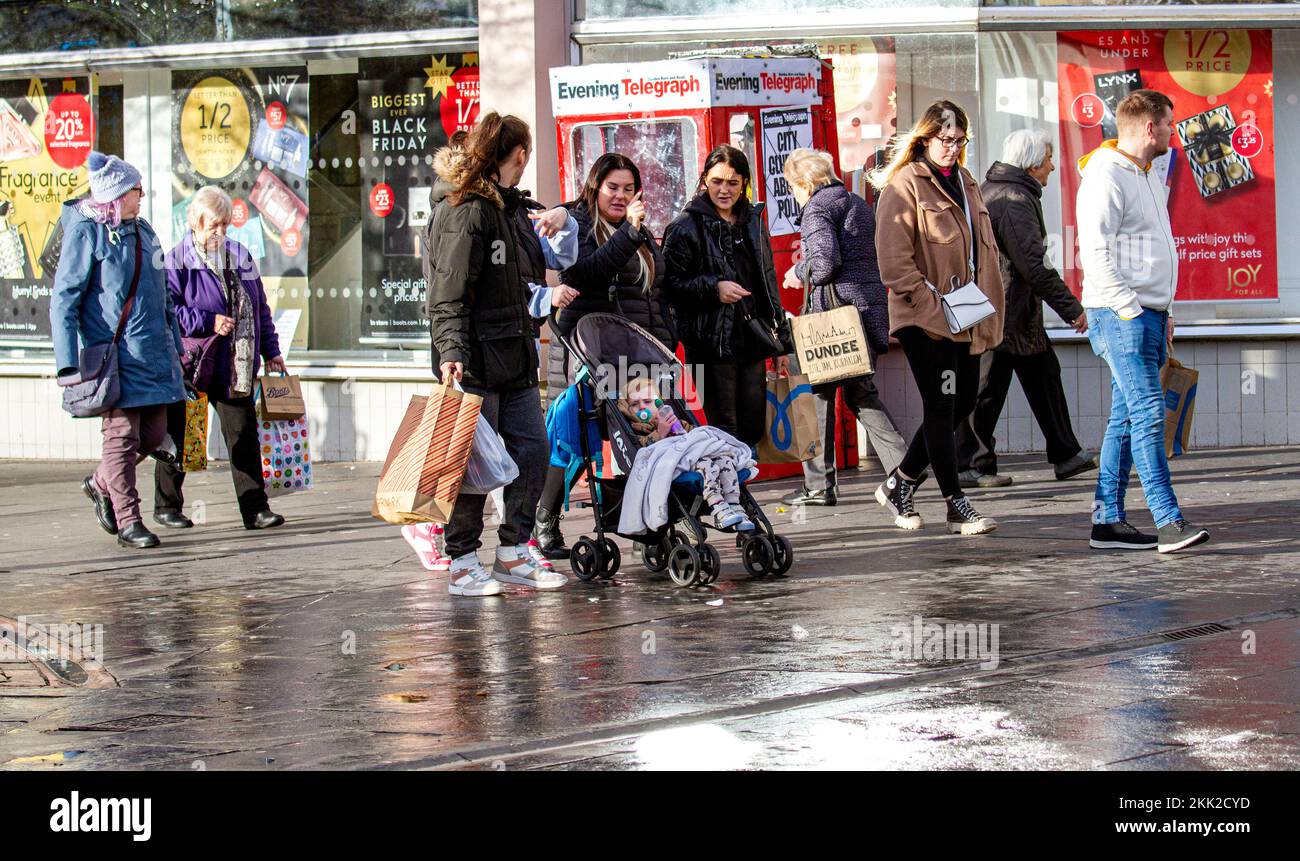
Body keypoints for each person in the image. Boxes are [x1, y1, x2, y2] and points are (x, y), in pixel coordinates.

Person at [406, 129, 578, 574]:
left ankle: (513, 549)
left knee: (533, 451)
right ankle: (462, 560)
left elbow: (540, 248)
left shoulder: (506, 205)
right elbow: (447, 291)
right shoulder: (464, 210)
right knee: (472, 465)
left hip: (514, 356)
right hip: (476, 359)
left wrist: (564, 214)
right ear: (520, 154)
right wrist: (450, 350)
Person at [1076, 89, 1209, 554]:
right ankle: (1168, 520)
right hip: (1120, 315)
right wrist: (1131, 309)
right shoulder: (1104, 176)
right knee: (1150, 412)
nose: (1174, 133)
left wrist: (1163, 310)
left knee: (1127, 418)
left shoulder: (1148, 174)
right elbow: (1094, 254)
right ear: (1150, 128)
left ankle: (1107, 521)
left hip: (1146, 314)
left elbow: (1152, 247)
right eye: (1170, 125)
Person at [871, 100, 1006, 536]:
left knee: (963, 401)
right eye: (943, 139)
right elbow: (894, 264)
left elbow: (981, 253)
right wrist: (931, 305)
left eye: (958, 139)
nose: (951, 147)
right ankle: (955, 503)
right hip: (922, 317)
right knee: (942, 403)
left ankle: (900, 482)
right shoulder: (904, 185)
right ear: (925, 138)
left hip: (965, 314)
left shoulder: (966, 183)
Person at [533, 152, 674, 559]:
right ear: (596, 186)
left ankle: (646, 522)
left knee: (641, 433)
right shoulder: (577, 224)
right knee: (571, 438)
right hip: (585, 353)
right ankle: (544, 521)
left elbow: (653, 293)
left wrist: (666, 339)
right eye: (613, 187)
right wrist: (628, 234)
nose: (620, 196)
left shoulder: (640, 232)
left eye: (629, 189)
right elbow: (583, 273)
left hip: (633, 356)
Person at [50, 152, 186, 549]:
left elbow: (163, 298)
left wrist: (176, 347)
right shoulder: (86, 234)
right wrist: (66, 364)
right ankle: (129, 520)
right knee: (122, 438)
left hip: (155, 356)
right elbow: (63, 301)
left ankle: (98, 482)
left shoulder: (144, 231)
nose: (142, 196)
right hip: (114, 358)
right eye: (136, 190)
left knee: (155, 435)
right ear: (116, 195)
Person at [956, 129, 1096, 489]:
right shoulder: (1013, 198)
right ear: (1033, 164)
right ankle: (970, 462)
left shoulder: (1002, 191)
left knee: (1041, 376)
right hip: (1005, 311)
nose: (1052, 166)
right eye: (1048, 159)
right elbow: (1032, 265)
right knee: (988, 387)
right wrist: (1071, 308)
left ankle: (1065, 454)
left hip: (1010, 309)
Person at [152, 186, 287, 531]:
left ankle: (255, 510)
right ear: (195, 223)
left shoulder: (240, 256)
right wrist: (207, 321)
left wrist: (271, 351)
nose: (221, 233)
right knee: (183, 434)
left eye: (225, 225)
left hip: (233, 365)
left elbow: (260, 309)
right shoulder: (175, 261)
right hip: (194, 364)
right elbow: (169, 312)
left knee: (242, 435)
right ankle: (167, 506)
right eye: (214, 226)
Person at [779, 147, 907, 507]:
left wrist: (797, 272)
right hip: (864, 313)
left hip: (833, 320)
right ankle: (903, 467)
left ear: (805, 182)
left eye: (793, 186)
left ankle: (819, 485)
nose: (794, 194)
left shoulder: (818, 207)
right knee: (860, 393)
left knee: (816, 396)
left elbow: (824, 264)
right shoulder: (855, 202)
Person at [662, 145, 793, 446]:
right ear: (705, 179)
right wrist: (713, 288)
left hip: (752, 337)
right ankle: (728, 493)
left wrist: (781, 343)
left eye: (733, 182)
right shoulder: (685, 226)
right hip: (709, 342)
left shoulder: (752, 221)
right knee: (724, 429)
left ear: (744, 183)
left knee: (752, 428)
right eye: (717, 181)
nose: (724, 190)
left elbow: (767, 283)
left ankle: (732, 489)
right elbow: (669, 286)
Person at [616, 378, 754, 531]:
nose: (642, 407)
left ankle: (733, 503)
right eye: (635, 404)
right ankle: (718, 506)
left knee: (725, 459)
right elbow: (644, 452)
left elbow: (695, 435)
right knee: (707, 465)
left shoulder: (672, 419)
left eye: (647, 402)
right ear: (628, 408)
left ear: (659, 403)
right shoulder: (637, 428)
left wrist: (685, 433)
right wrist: (660, 433)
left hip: (696, 455)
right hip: (676, 464)